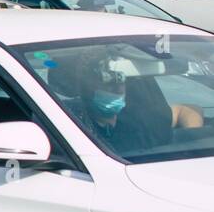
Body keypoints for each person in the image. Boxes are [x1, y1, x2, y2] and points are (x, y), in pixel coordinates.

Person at [69, 49, 202, 153]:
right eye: (108, 80)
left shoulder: (139, 118)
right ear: (87, 85)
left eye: (122, 79)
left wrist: (194, 141)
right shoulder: (71, 121)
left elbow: (185, 111)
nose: (118, 87)